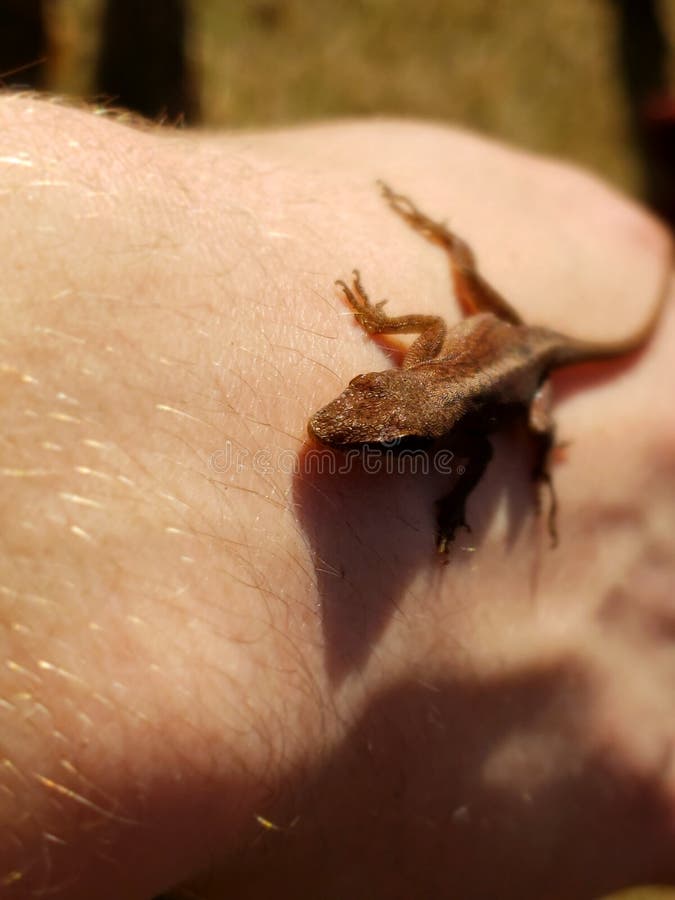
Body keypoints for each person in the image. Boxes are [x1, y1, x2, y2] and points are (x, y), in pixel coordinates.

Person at [1, 94, 673, 900]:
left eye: (376, 444)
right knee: (462, 271)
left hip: (524, 362)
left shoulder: (460, 430)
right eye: (364, 399)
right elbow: (419, 336)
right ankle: (451, 235)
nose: (333, 429)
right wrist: (375, 319)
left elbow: (466, 460)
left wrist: (517, 480)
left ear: (416, 442)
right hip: (504, 335)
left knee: (528, 426)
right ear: (381, 379)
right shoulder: (421, 371)